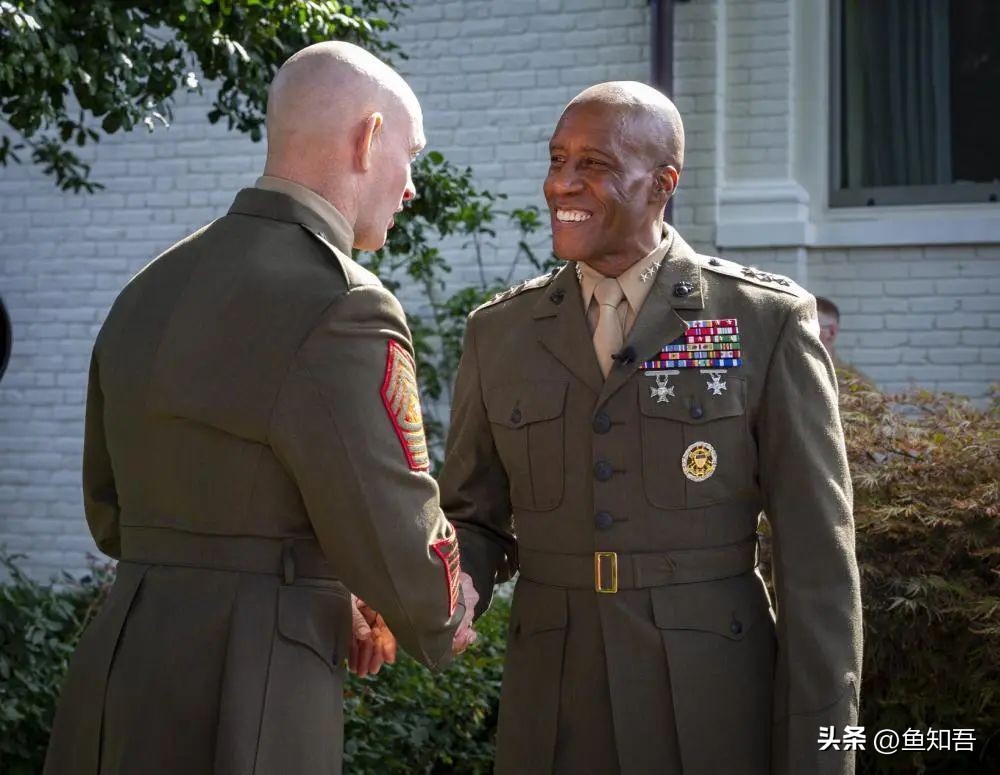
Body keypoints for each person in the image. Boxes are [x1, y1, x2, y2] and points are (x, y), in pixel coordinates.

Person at [44, 42, 465, 775]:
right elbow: (399, 536)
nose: (410, 188)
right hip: (253, 681)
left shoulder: (148, 287)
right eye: (411, 155)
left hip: (119, 667)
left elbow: (109, 510)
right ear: (367, 139)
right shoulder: (346, 303)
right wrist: (440, 609)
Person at [441, 82, 862, 774]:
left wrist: (822, 756)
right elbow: (475, 518)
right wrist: (450, 586)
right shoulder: (500, 334)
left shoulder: (762, 321)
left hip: (713, 705)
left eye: (595, 165)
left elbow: (818, 566)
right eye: (557, 159)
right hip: (553, 707)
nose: (563, 184)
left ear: (663, 182)